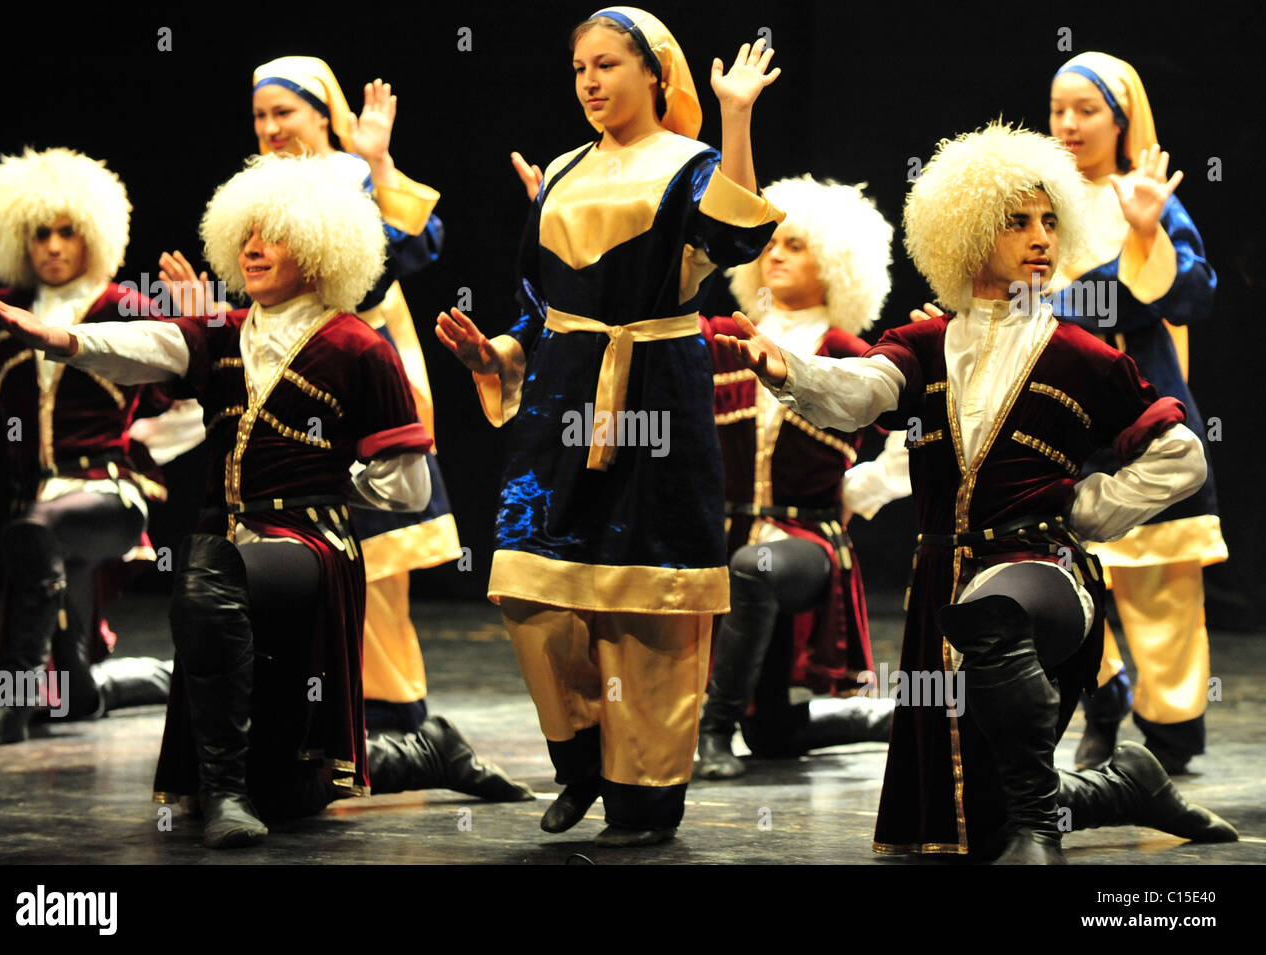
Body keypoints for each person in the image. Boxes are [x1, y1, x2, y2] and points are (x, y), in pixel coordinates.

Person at [716, 122, 1236, 863]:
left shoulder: (1082, 354)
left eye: (1050, 221)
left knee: (994, 616)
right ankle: (1124, 783)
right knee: (961, 819)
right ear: (967, 233)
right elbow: (862, 393)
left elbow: (1181, 455)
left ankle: (1041, 829)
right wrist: (786, 371)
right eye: (1017, 221)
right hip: (940, 589)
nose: (1040, 237)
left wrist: (1092, 510)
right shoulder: (923, 345)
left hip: (1042, 575)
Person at [0, 154, 528, 849]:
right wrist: (57, 338)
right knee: (293, 790)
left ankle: (224, 792)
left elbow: (409, 484)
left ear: (322, 244)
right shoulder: (222, 332)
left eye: (276, 232)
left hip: (312, 544)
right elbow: (142, 345)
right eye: (246, 233)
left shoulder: (358, 346)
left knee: (209, 584)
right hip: (229, 536)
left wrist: (333, 486)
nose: (253, 245)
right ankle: (426, 752)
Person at [437, 7, 783, 846]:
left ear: (656, 72)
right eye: (579, 68)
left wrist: (736, 115)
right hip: (560, 394)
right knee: (529, 586)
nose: (590, 81)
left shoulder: (689, 165)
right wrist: (502, 352)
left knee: (649, 600)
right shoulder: (561, 169)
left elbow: (736, 236)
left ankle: (644, 798)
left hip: (655, 387)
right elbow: (536, 296)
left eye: (608, 65)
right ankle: (583, 756)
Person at [159, 55, 461, 736]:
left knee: (377, 547)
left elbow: (408, 254)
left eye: (284, 112)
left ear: (324, 113)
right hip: (288, 375)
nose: (269, 127)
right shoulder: (262, 191)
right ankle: (315, 715)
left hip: (355, 372)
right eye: (260, 114)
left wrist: (378, 166)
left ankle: (390, 713)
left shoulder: (350, 176)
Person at [1048, 52, 1225, 774]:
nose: (1067, 124)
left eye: (1085, 110)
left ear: (1121, 120)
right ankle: (1103, 697)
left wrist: (1145, 233)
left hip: (1138, 405)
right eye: (1057, 108)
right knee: (1068, 568)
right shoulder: (1038, 199)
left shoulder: (1146, 194)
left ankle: (1171, 733)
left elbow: (1192, 297)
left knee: (1159, 579)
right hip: (1060, 414)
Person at [0, 148, 175, 747]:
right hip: (39, 512)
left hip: (108, 498)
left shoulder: (124, 310)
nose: (53, 246)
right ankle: (168, 675)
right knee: (74, 698)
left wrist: (145, 452)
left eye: (67, 232)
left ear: (94, 235)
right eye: (39, 233)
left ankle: (8, 706)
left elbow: (189, 402)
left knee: (34, 528)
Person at [696, 176, 901, 779]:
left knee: (752, 569)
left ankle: (714, 730)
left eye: (797, 244)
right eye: (770, 241)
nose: (775, 253)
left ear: (838, 265)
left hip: (807, 541)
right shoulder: (723, 339)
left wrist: (856, 494)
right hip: (730, 532)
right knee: (775, 736)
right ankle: (875, 718)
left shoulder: (849, 351)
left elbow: (916, 441)